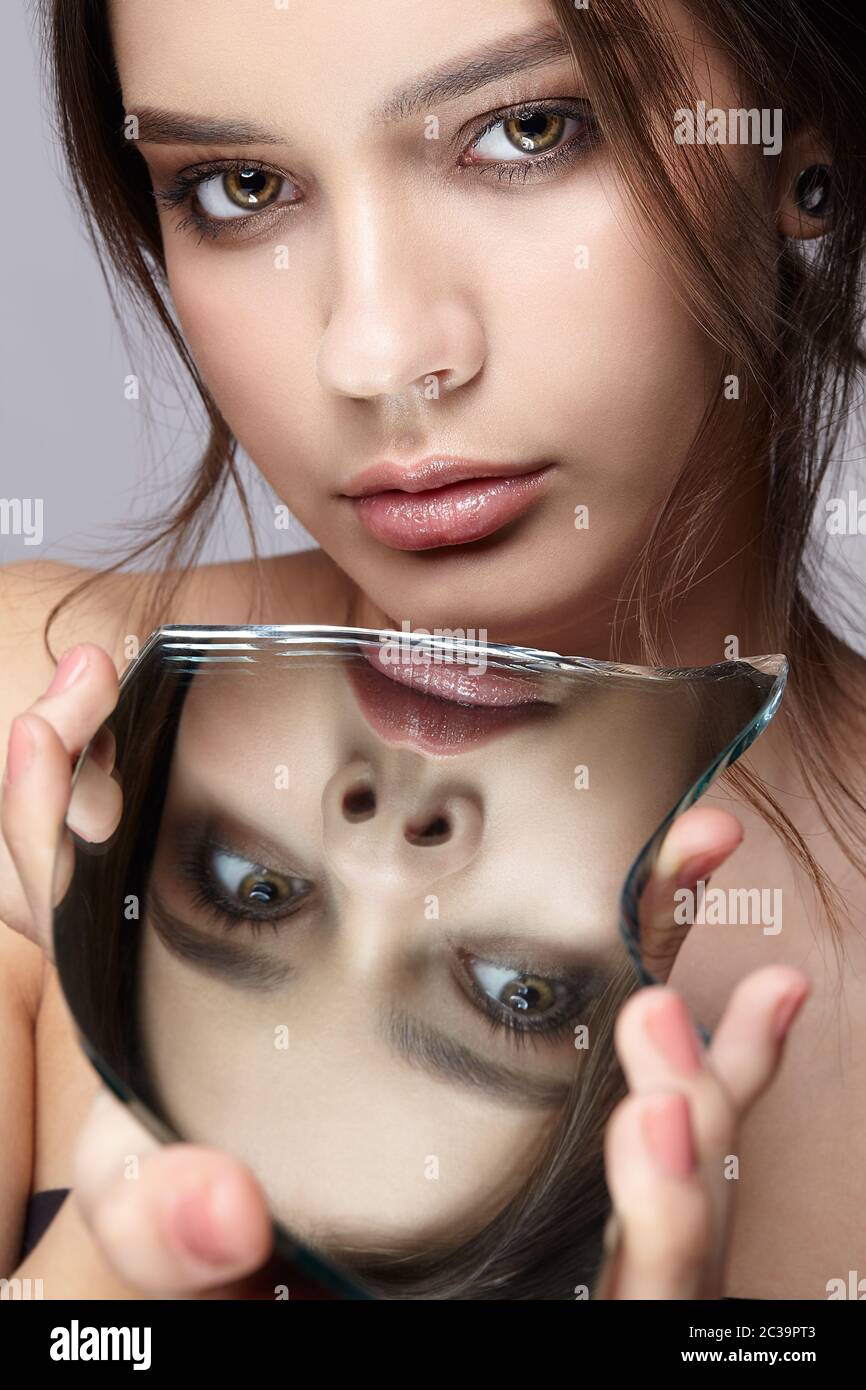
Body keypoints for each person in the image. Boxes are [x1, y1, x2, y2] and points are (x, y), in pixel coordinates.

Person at [0, 0, 862, 1298]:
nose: (375, 351)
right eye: (240, 186)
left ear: (805, 145)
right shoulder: (34, 738)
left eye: (525, 129)